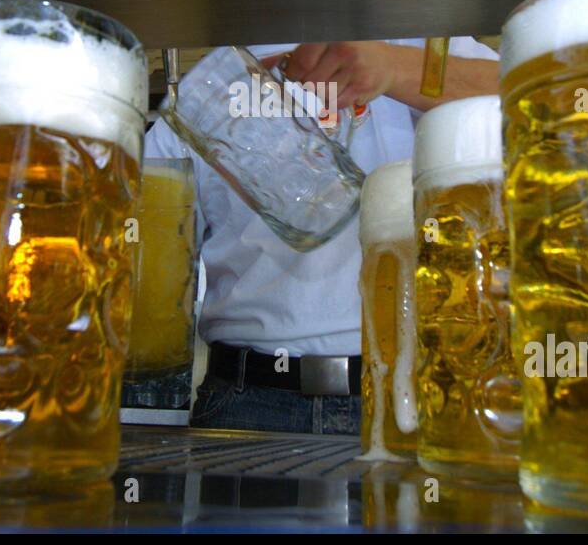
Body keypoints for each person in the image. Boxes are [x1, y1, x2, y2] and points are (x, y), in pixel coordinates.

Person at [144, 38, 499, 435]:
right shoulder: (218, 80)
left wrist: (396, 68)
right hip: (247, 399)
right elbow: (148, 266)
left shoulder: (435, 42)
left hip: (414, 393)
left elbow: (551, 102)